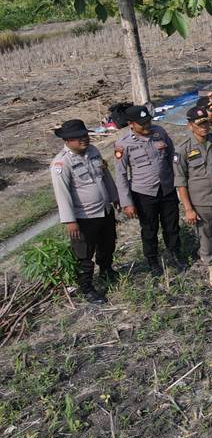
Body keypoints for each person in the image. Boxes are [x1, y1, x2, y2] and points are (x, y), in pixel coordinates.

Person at [50, 119, 119, 303]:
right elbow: (62, 194)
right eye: (78, 137)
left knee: (107, 244)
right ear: (67, 140)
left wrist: (114, 197)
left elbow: (105, 176)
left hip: (104, 210)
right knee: (84, 255)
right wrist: (70, 221)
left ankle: (106, 270)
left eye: (85, 135)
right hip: (84, 217)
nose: (84, 139)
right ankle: (87, 288)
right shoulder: (61, 163)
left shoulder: (93, 151)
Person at [173, 106, 212, 288]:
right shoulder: (183, 149)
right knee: (206, 235)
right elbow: (181, 182)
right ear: (190, 125)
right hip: (200, 202)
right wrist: (188, 209)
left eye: (206, 123)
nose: (204, 127)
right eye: (199, 124)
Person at [115, 105, 183, 275]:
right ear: (131, 124)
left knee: (171, 225)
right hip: (144, 193)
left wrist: (178, 184)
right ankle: (152, 261)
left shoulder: (159, 132)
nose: (147, 126)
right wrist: (127, 202)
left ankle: (175, 254)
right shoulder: (124, 144)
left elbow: (171, 158)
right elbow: (121, 175)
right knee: (149, 229)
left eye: (148, 122)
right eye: (142, 124)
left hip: (166, 189)